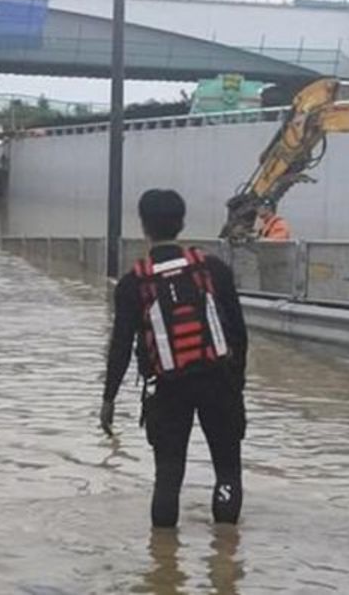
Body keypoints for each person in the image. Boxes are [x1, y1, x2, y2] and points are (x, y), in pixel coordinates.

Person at [100, 189, 249, 528]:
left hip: (167, 388)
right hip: (218, 382)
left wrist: (108, 399)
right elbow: (239, 334)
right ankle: (226, 561)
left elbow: (120, 346)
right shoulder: (213, 269)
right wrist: (236, 385)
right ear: (182, 223)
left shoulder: (132, 284)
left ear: (144, 226)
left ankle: (164, 565)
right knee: (227, 472)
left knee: (167, 477)